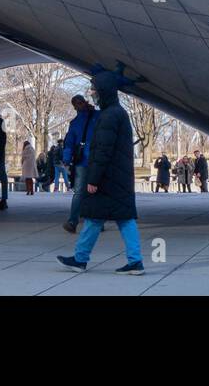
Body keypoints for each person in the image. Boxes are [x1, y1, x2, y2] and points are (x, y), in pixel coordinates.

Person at [57, 71, 145, 275]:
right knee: (119, 218)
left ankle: (80, 259)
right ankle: (133, 261)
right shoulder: (117, 113)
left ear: (104, 92)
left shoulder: (109, 116)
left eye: (94, 90)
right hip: (118, 177)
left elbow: (102, 150)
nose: (92, 94)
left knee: (95, 217)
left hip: (107, 178)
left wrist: (93, 178)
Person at [62, 94, 97, 232]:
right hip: (95, 159)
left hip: (83, 160)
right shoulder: (97, 117)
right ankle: (96, 221)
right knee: (94, 190)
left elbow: (69, 143)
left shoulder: (75, 123)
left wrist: (66, 159)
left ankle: (73, 221)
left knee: (80, 192)